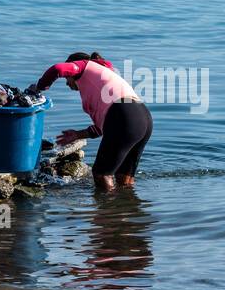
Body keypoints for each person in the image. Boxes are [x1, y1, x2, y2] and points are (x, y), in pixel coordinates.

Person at [28, 51, 152, 191]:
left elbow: (57, 69)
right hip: (143, 118)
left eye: (67, 79)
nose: (68, 84)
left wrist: (38, 88)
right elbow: (104, 128)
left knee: (101, 174)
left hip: (124, 116)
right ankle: (125, 207)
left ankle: (108, 210)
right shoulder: (101, 79)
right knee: (124, 178)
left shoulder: (84, 66)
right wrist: (78, 135)